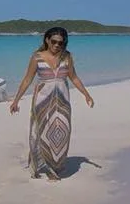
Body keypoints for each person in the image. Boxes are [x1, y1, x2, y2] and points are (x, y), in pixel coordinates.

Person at [7, 25, 94, 180]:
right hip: (42, 102)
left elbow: (74, 77)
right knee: (43, 133)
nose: (57, 45)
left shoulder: (67, 57)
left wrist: (86, 94)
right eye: (54, 41)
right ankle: (49, 168)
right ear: (47, 40)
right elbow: (27, 79)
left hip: (62, 101)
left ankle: (56, 164)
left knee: (62, 132)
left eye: (60, 42)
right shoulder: (37, 57)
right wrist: (16, 100)